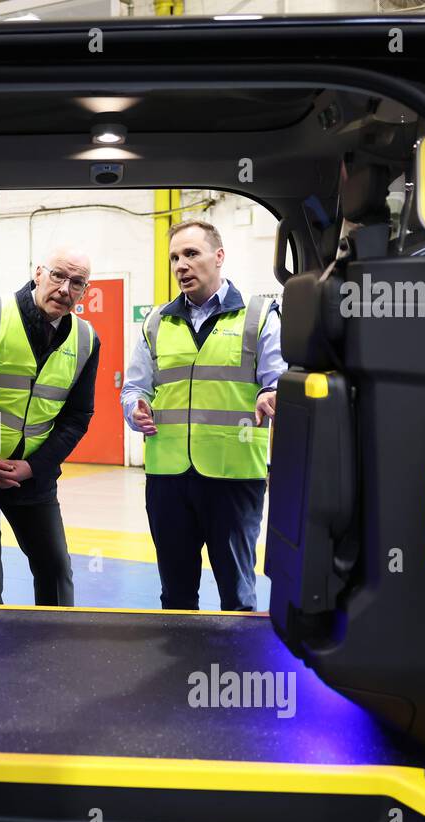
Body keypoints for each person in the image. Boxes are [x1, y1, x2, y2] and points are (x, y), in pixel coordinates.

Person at [120, 220, 286, 611]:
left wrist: (272, 394)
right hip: (168, 478)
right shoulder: (156, 322)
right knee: (175, 594)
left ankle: (238, 651)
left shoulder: (258, 316)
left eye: (191, 254)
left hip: (234, 477)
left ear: (219, 256)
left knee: (236, 593)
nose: (181, 265)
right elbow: (134, 388)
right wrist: (135, 408)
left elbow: (279, 379)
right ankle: (179, 651)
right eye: (175, 257)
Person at [0, 247, 100, 606]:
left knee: (56, 572)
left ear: (84, 290)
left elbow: (77, 417)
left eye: (77, 282)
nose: (65, 289)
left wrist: (33, 467)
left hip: (33, 475)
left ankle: (57, 637)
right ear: (38, 273)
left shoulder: (86, 340)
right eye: (58, 276)